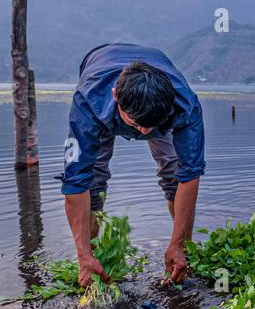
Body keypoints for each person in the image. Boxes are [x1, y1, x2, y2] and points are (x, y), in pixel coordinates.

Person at [61, 43, 205, 286]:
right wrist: (82, 253)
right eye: (138, 125)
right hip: (100, 91)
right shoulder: (87, 105)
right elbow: (75, 183)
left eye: (152, 126)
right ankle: (90, 262)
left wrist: (178, 244)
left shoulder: (185, 104)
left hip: (157, 85)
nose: (145, 132)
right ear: (117, 97)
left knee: (173, 172)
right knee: (92, 182)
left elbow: (190, 174)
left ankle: (181, 255)